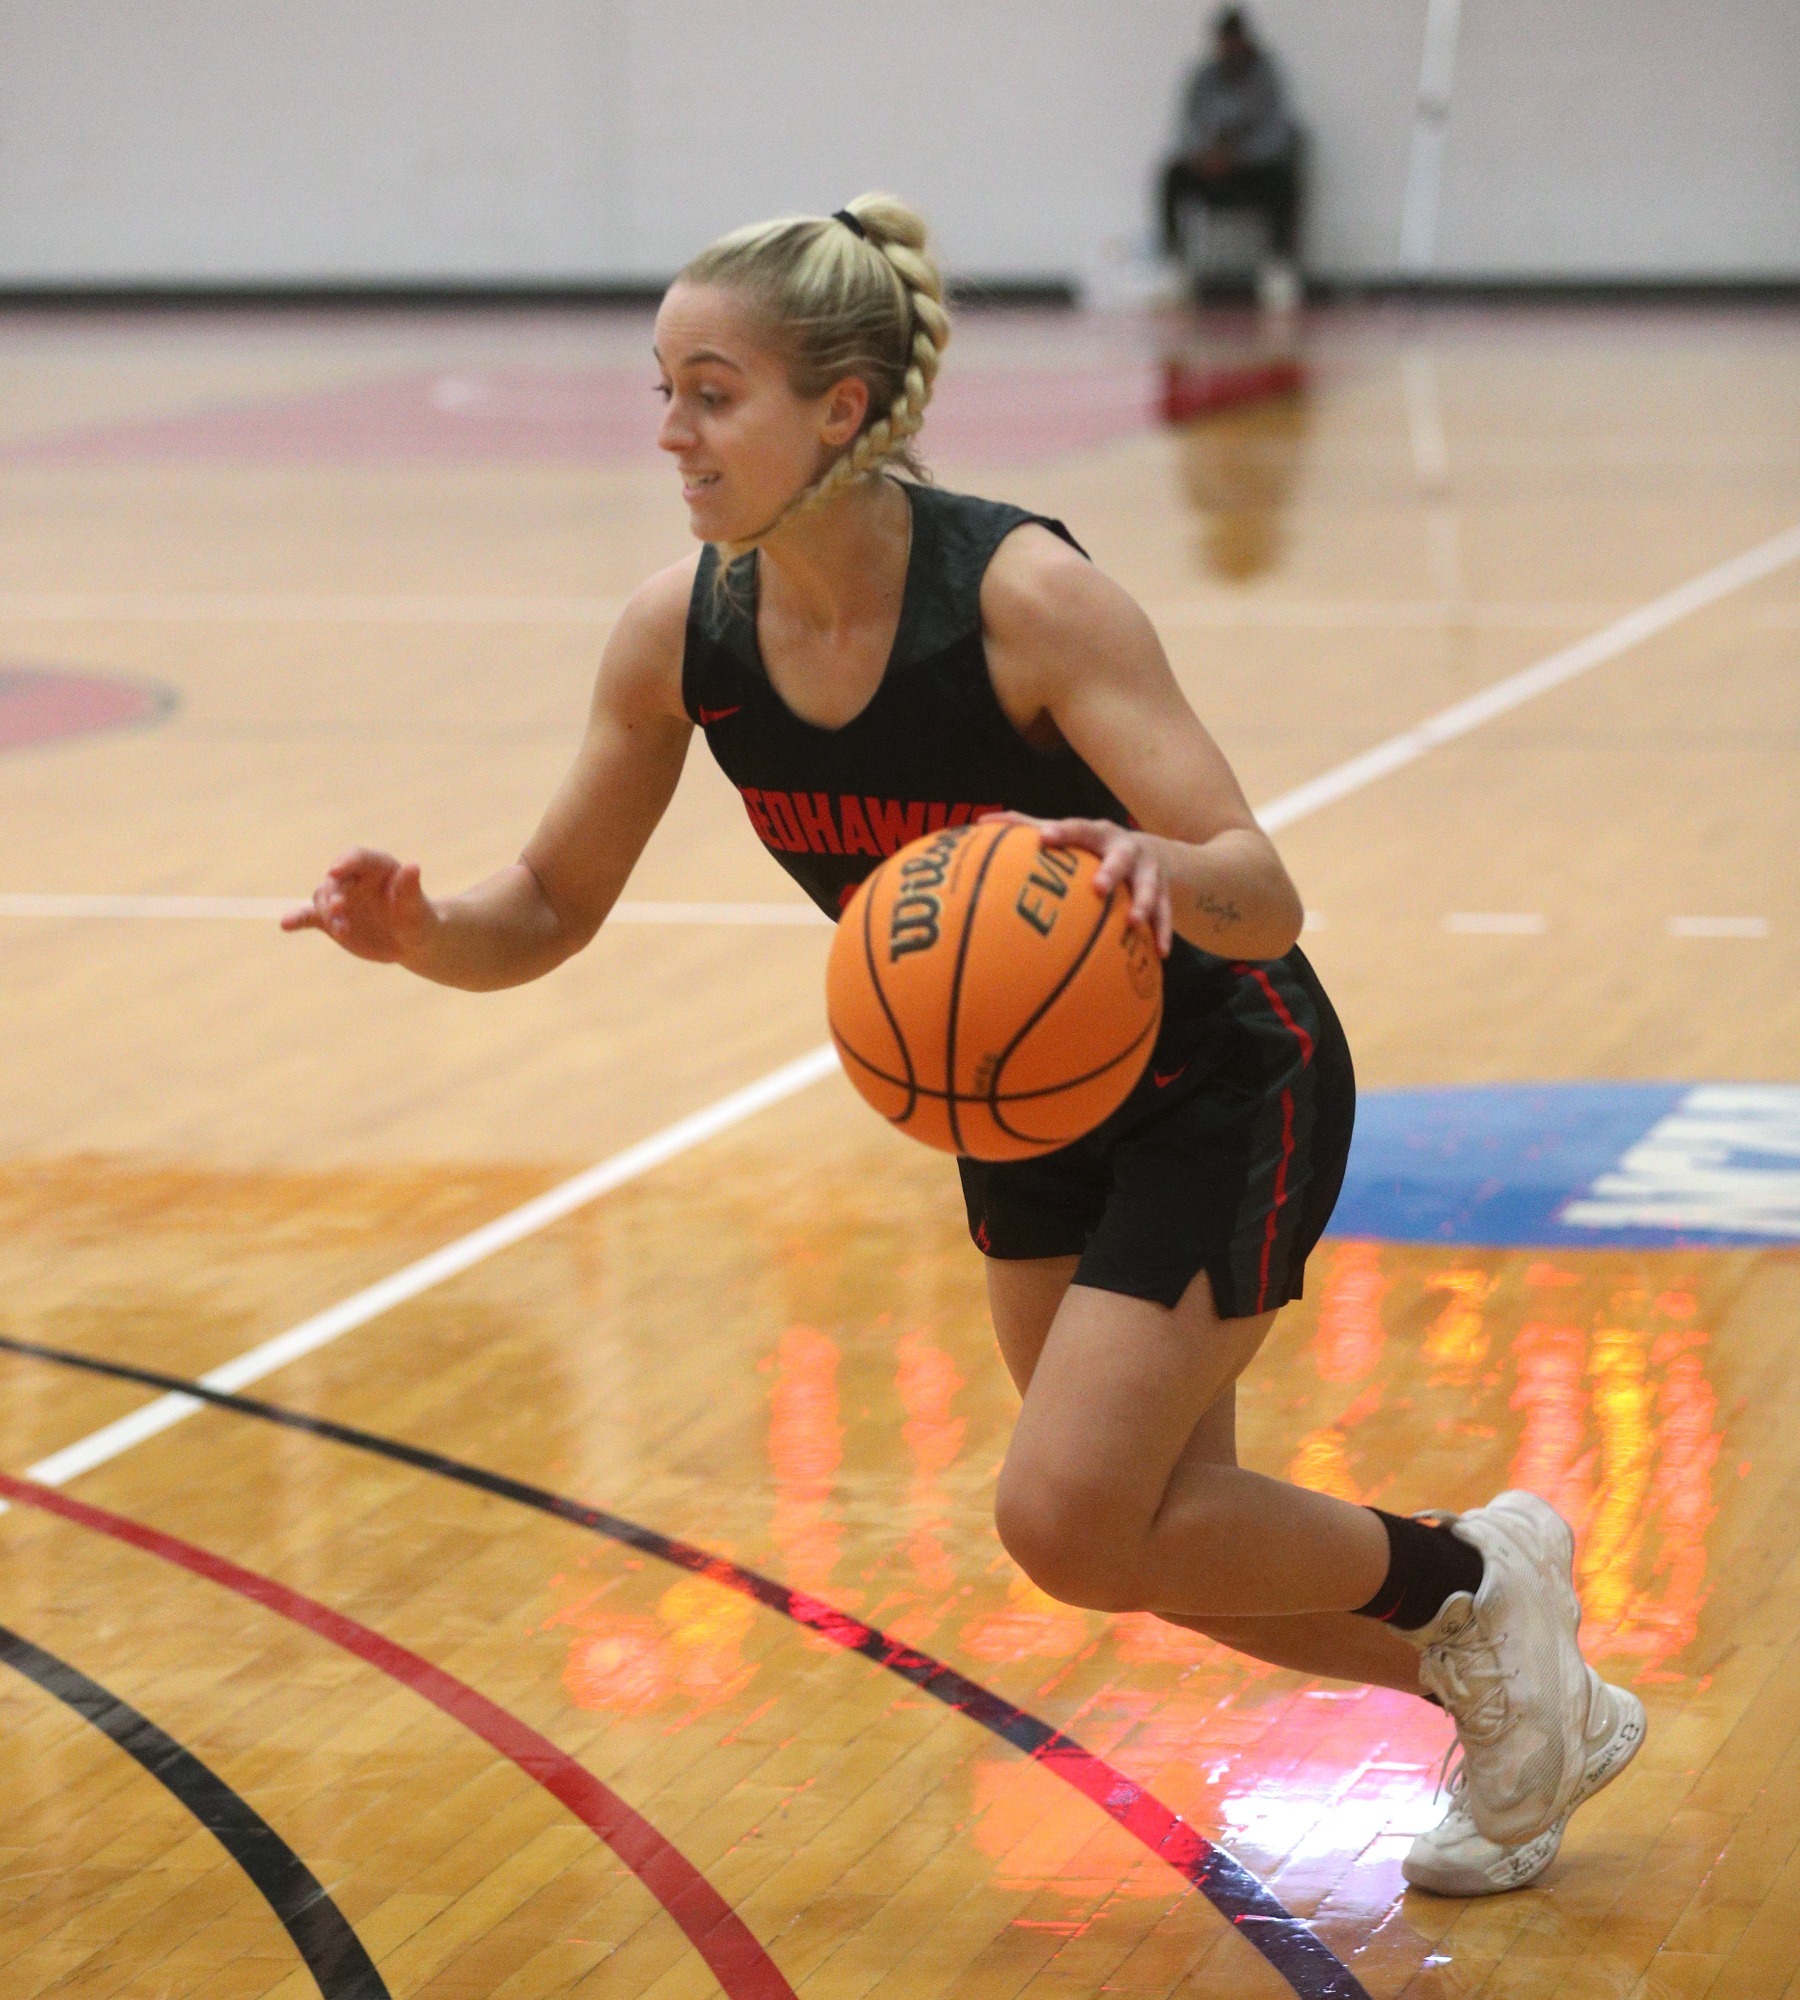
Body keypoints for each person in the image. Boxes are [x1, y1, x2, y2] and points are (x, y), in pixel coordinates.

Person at [284, 194, 1643, 1895]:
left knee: (1068, 1516)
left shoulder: (1026, 601)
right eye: (664, 392)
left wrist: (1153, 867)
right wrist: (423, 931)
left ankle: (1483, 1578)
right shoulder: (681, 633)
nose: (672, 433)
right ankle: (1516, 1685)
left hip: (1224, 1071)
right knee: (1133, 1546)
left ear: (840, 409)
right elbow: (550, 905)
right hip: (1020, 1103)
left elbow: (1262, 891)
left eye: (713, 395)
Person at [1161, 7, 1302, 303]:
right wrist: (1206, 156)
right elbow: (1187, 129)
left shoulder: (1266, 78)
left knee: (1284, 178)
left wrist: (1237, 156)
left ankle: (1279, 265)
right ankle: (1174, 266)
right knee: (1172, 175)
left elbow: (1277, 135)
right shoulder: (1203, 79)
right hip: (1210, 168)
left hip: (1251, 170)